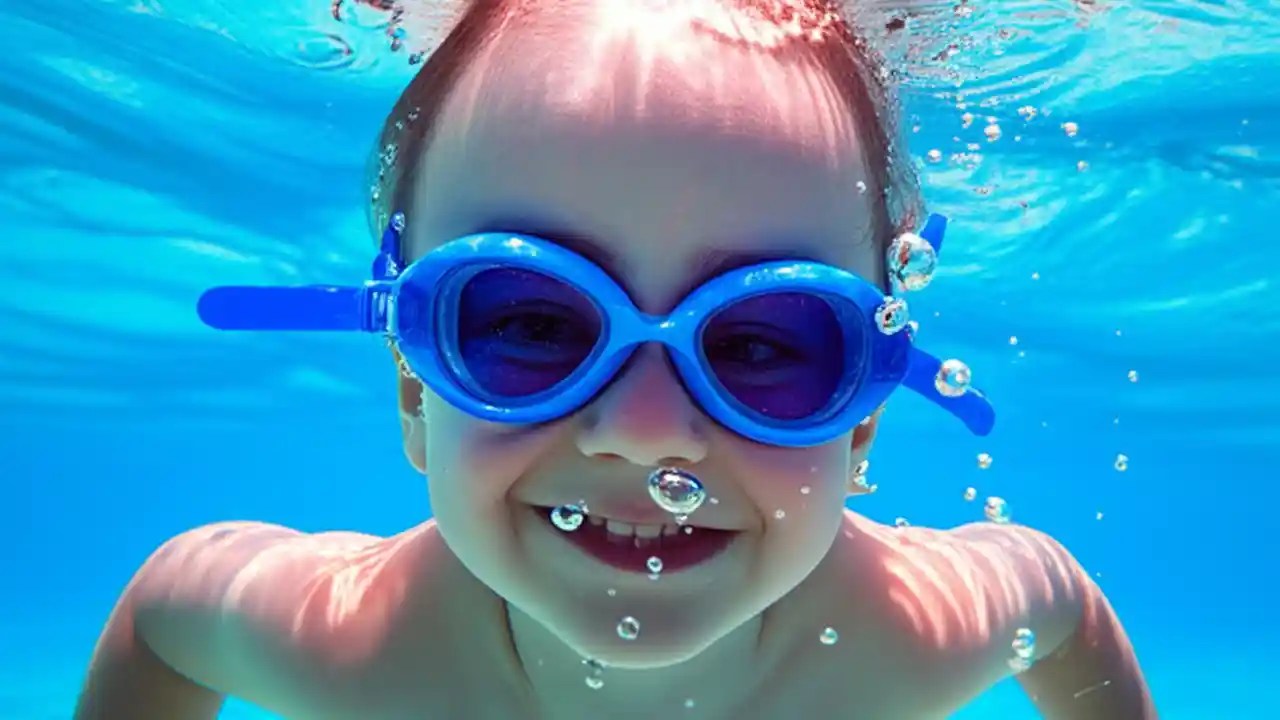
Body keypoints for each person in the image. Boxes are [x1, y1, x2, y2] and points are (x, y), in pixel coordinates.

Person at [75, 1, 1155, 717]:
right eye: (529, 322)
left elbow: (1053, 599)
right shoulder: (351, 646)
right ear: (413, 381)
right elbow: (169, 610)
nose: (645, 433)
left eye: (764, 341)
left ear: (861, 414)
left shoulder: (912, 638)